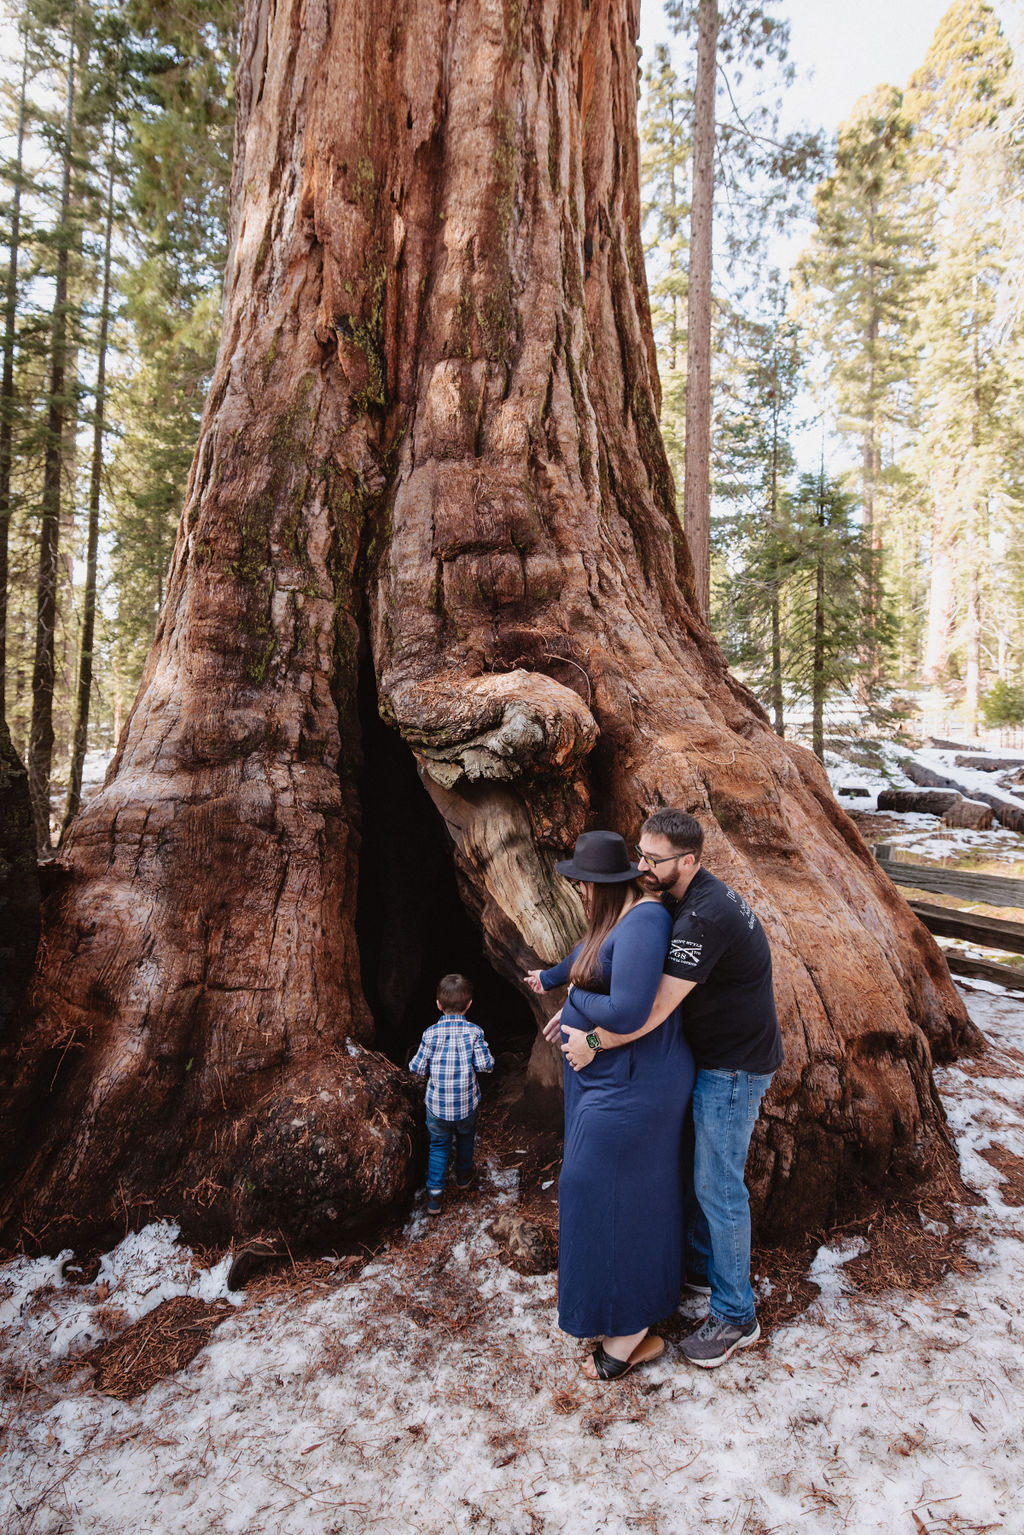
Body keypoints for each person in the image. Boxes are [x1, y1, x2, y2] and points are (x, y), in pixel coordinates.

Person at [558, 809, 782, 1368]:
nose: (642, 867)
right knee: (694, 1176)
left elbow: (649, 1009)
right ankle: (704, 1277)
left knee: (719, 1185)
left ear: (689, 861)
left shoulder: (702, 916)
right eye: (640, 854)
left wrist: (592, 1038)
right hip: (709, 1057)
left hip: (734, 1066)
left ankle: (736, 1316)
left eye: (653, 860)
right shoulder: (678, 897)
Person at [525, 830, 695, 1381]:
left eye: (581, 884)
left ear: (602, 885)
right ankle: (614, 1312)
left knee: (599, 1187)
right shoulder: (618, 918)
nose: (577, 893)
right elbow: (585, 958)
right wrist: (552, 980)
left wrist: (573, 1000)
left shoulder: (646, 922)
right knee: (608, 1194)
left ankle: (627, 1335)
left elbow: (627, 1009)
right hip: (609, 1080)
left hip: (637, 1084)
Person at [409, 973, 494, 1215]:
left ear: (438, 1004)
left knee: (438, 1146)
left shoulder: (429, 1034)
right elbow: (485, 1065)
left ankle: (434, 1195)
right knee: (466, 1139)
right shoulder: (475, 1033)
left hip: (436, 1107)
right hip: (467, 1105)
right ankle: (463, 1177)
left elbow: (416, 1068)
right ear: (469, 1005)